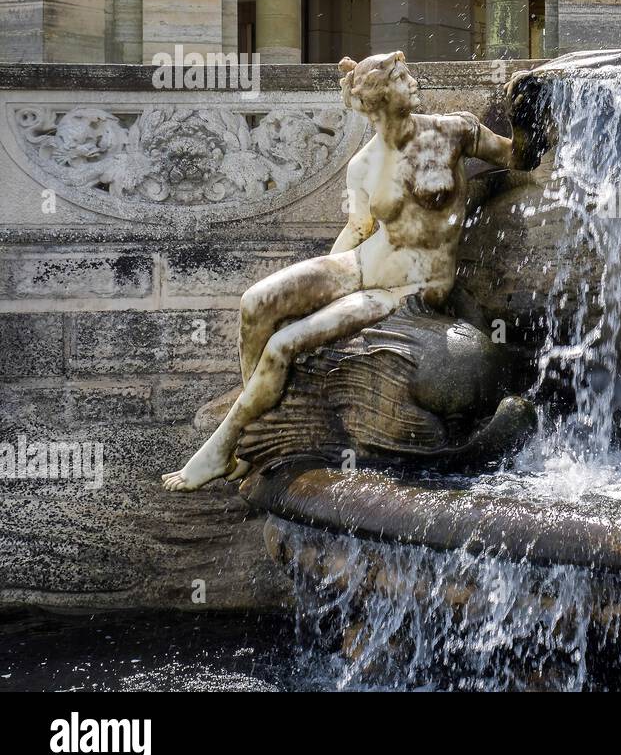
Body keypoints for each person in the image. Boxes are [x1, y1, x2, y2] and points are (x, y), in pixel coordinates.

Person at [163, 51, 525, 491]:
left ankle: (224, 446)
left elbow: (514, 156)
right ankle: (261, 420)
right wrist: (324, 288)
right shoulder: (363, 164)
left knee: (283, 344)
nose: (413, 81)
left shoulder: (453, 131)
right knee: (256, 303)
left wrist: (526, 112)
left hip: (410, 287)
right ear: (378, 98)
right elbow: (358, 230)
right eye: (401, 77)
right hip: (361, 264)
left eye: (408, 72)